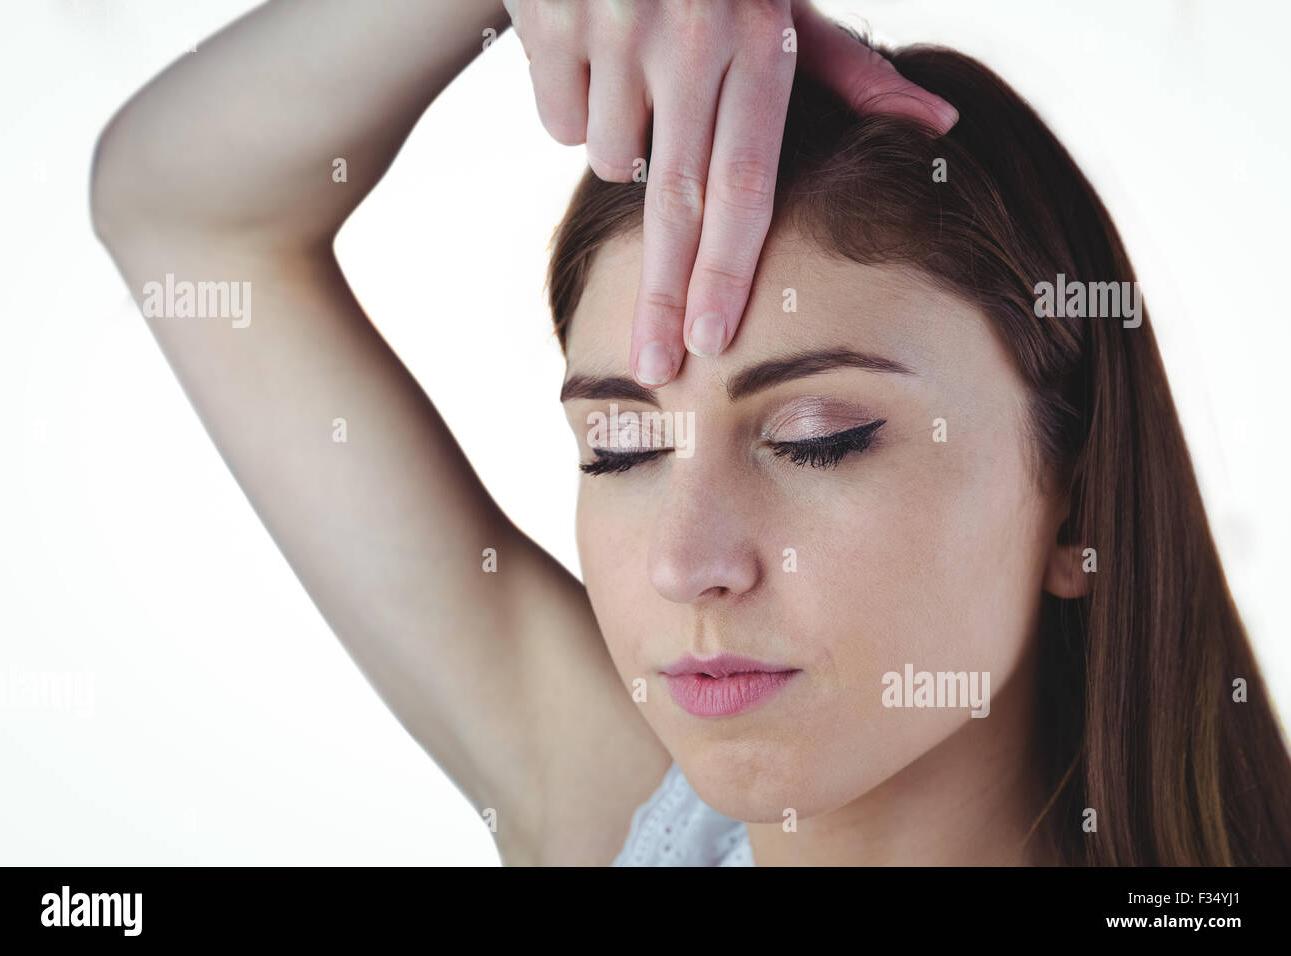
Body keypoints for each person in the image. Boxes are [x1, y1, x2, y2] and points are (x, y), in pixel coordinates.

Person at [91, 0, 1291, 866]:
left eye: (817, 438)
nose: (686, 557)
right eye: (618, 445)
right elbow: (183, 215)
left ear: (1075, 493)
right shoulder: (630, 823)